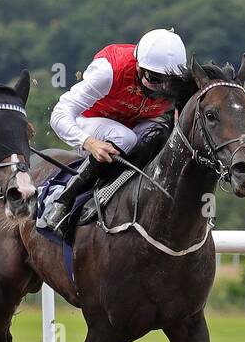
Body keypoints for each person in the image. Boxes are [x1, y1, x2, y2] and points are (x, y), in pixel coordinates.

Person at [41, 28, 188, 230]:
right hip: (90, 123)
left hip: (134, 128)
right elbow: (59, 114)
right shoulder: (108, 71)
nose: (160, 88)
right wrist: (89, 142)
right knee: (123, 137)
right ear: (138, 66)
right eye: (154, 79)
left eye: (168, 81)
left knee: (163, 133)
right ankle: (64, 199)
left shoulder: (179, 83)